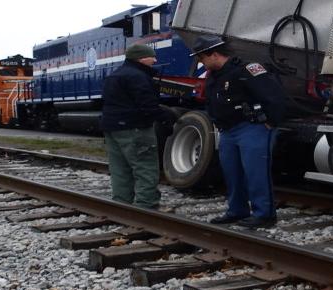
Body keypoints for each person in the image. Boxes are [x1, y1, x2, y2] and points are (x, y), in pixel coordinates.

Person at [192, 36, 286, 229]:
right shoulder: (214, 76)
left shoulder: (247, 70)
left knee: (256, 173)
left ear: (214, 54)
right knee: (232, 173)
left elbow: (274, 97)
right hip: (228, 130)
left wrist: (270, 122)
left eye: (202, 57)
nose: (200, 62)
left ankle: (264, 214)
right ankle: (237, 210)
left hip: (251, 127)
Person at [101, 43, 175, 211]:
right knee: (145, 166)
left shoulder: (114, 75)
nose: (155, 60)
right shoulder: (138, 76)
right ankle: (146, 206)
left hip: (112, 128)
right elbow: (147, 105)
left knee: (120, 169)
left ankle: (122, 205)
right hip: (135, 128)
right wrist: (165, 119)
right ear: (141, 59)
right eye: (152, 57)